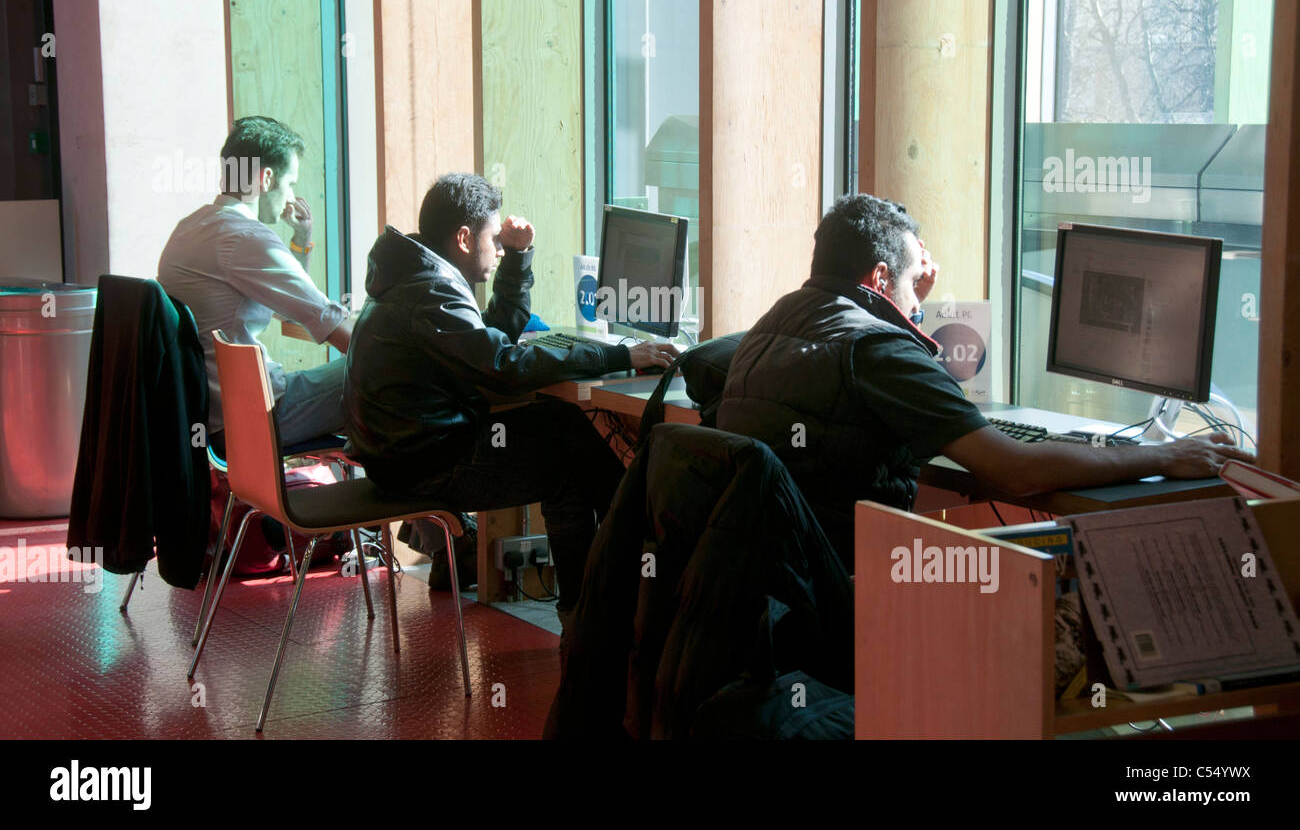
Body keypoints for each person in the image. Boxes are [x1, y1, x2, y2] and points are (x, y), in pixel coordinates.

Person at [716, 193, 1253, 566]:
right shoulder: (877, 348)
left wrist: (908, 307)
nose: (918, 293)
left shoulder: (776, 320)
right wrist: (1162, 457)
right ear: (879, 279)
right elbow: (1013, 470)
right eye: (911, 280)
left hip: (769, 584)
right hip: (846, 585)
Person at [343, 172, 677, 616]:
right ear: (464, 238)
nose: (498, 248)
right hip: (425, 465)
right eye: (494, 238)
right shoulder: (430, 291)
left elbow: (490, 340)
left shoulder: (412, 276)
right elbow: (502, 366)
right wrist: (619, 357)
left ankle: (597, 610)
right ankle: (600, 611)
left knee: (572, 428)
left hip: (402, 454)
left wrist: (518, 259)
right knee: (579, 456)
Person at [158, 116, 352, 447]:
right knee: (386, 369)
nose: (292, 196)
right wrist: (390, 355)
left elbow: (290, 309)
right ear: (265, 178)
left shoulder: (189, 227)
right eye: (290, 183)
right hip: (256, 417)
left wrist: (301, 238)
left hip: (212, 416)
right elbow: (327, 321)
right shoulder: (245, 237)